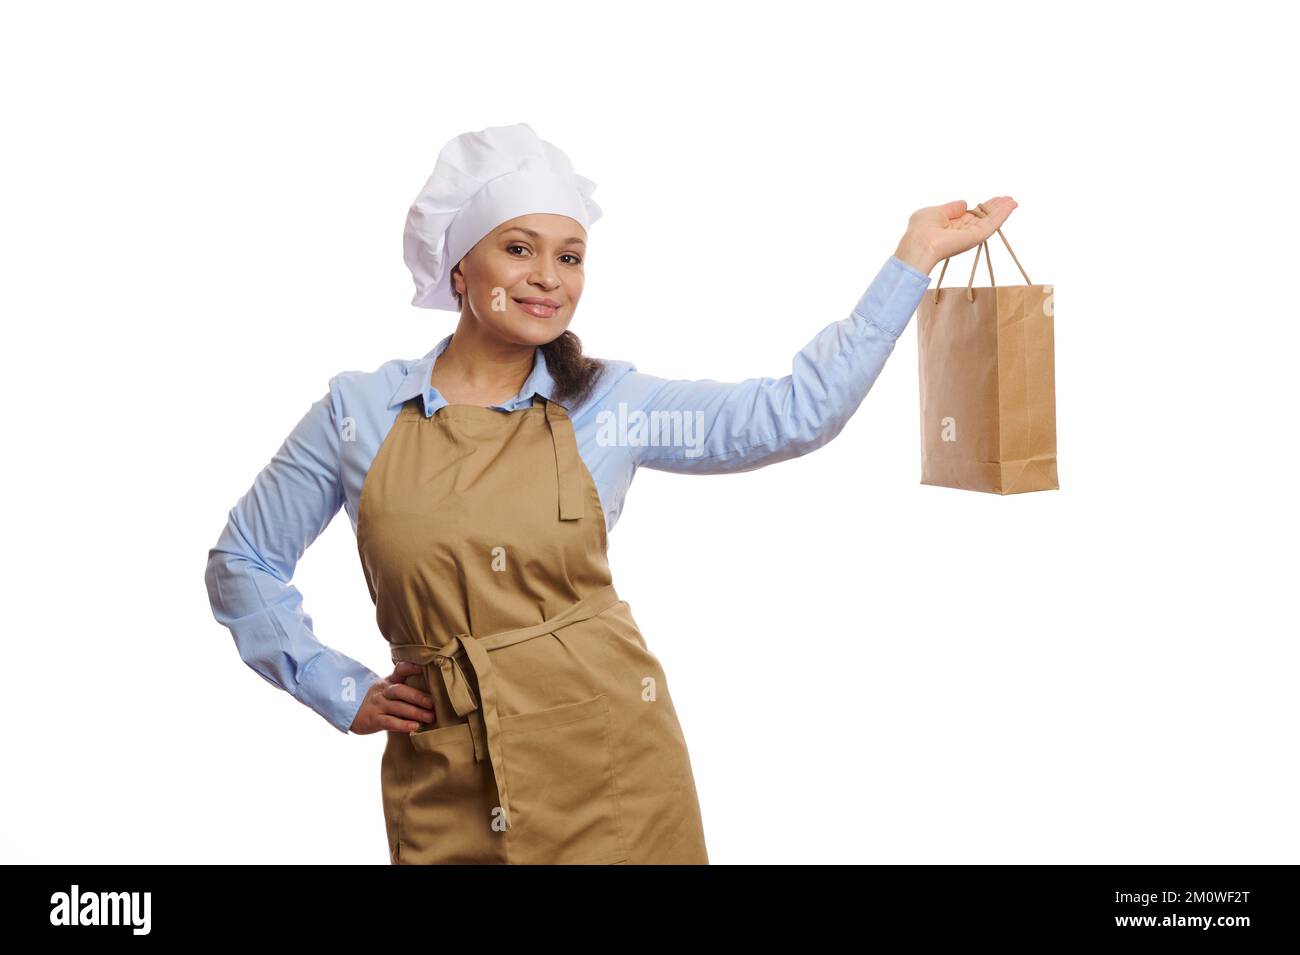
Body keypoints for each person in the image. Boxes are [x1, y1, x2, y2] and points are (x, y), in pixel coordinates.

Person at [204, 122, 1017, 864]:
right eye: (519, 249)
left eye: (569, 256)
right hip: (445, 777)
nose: (547, 279)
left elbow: (796, 413)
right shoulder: (359, 413)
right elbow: (243, 558)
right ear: (459, 267)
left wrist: (911, 257)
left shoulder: (611, 406)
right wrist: (336, 686)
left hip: (614, 768)